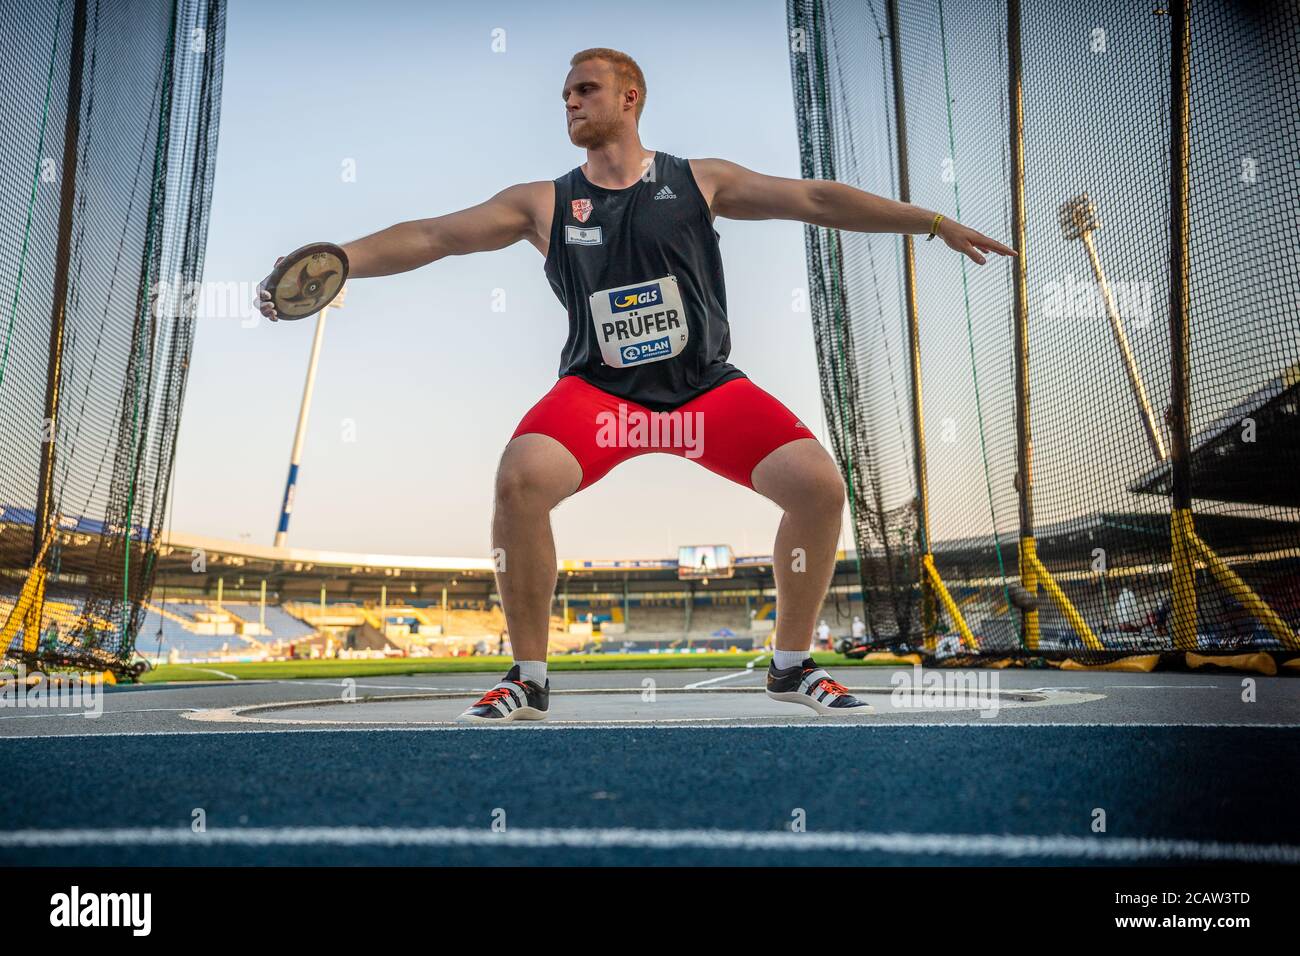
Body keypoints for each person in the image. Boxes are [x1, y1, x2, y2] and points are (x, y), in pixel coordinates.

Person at [257, 48, 1013, 721]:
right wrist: (338, 260)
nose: (570, 103)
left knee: (818, 486)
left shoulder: (698, 180)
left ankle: (791, 666)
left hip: (701, 394)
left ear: (631, 98)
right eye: (564, 95)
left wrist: (930, 221)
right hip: (603, 398)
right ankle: (528, 677)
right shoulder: (543, 202)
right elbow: (433, 235)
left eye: (585, 89)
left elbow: (814, 200)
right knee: (521, 477)